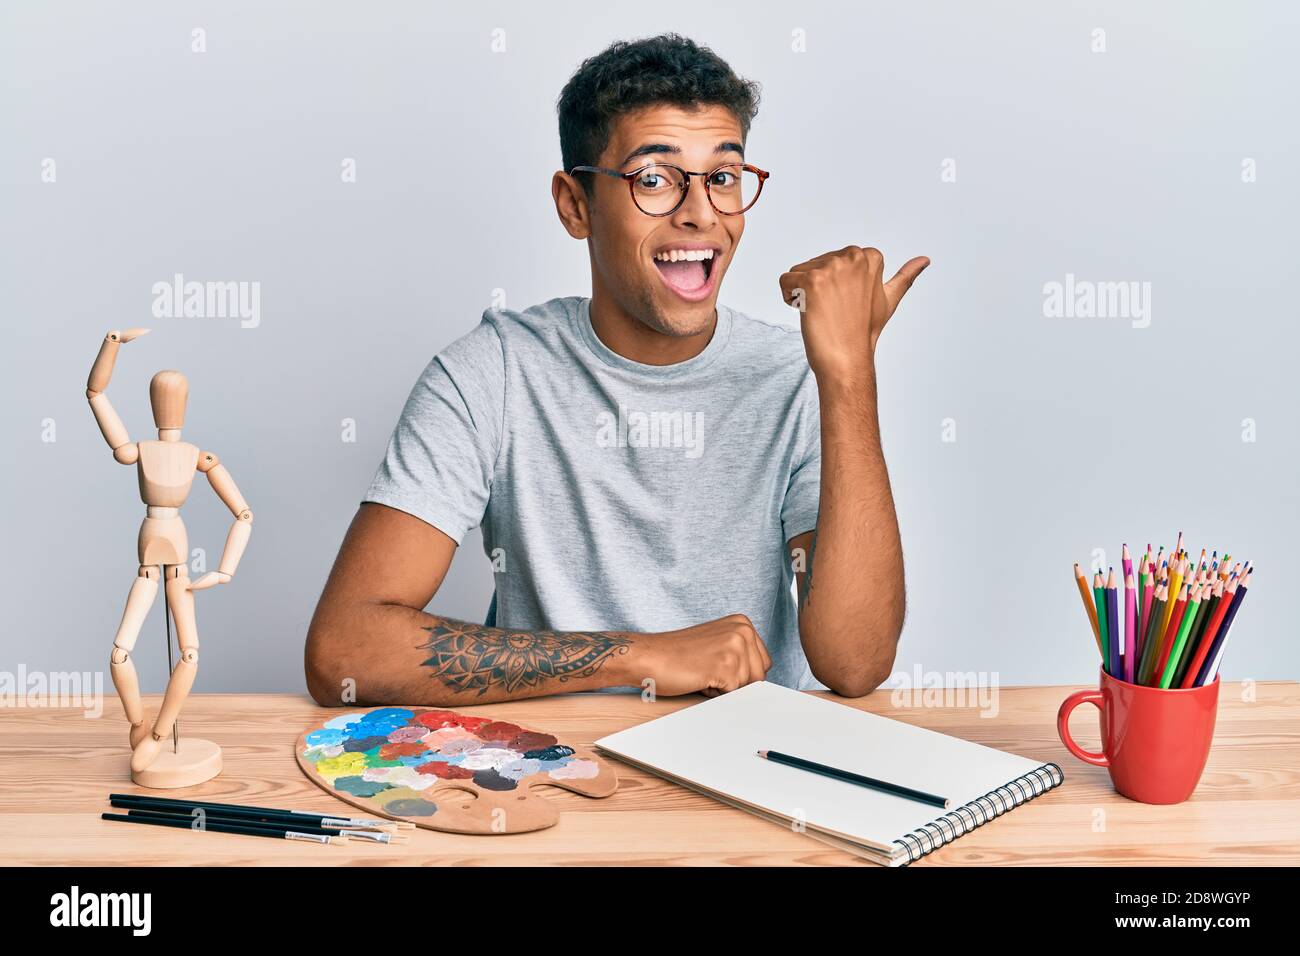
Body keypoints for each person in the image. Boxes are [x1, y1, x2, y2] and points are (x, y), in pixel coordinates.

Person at [305, 33, 928, 706]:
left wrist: (848, 373)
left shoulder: (795, 377)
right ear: (576, 205)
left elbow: (857, 663)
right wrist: (641, 655)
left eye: (722, 177)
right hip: (556, 775)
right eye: (654, 180)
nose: (700, 213)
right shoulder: (494, 373)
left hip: (749, 775)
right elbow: (345, 649)